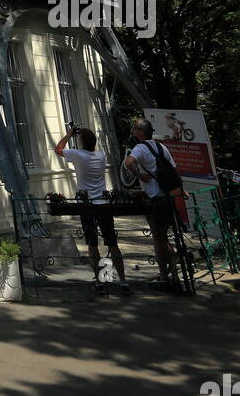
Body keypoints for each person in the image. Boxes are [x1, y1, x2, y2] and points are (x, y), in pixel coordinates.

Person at [55, 125, 130, 296]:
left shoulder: (78, 155)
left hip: (87, 204)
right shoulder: (101, 155)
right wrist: (85, 137)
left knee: (92, 243)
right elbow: (92, 147)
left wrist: (69, 135)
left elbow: (58, 149)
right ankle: (123, 281)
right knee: (112, 242)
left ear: (81, 143)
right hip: (103, 204)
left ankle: (99, 281)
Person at [124, 118, 181, 290]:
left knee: (159, 239)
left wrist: (139, 175)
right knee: (165, 236)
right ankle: (174, 275)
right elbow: (174, 170)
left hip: (154, 200)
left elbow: (128, 163)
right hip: (167, 198)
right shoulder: (161, 147)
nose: (133, 131)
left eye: (134, 128)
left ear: (141, 132)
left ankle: (166, 276)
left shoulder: (140, 148)